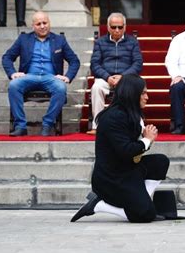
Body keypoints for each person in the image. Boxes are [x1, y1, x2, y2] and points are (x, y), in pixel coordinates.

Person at [71, 74, 170, 223]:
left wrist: (146, 141)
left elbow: (132, 151)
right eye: (143, 93)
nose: (147, 97)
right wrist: (146, 140)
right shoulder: (114, 117)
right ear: (132, 94)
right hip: (111, 178)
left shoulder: (131, 114)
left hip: (128, 169)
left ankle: (143, 202)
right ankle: (99, 205)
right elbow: (126, 151)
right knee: (145, 216)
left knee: (160, 161)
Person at [2, 11, 80, 136]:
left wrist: (67, 76)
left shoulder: (59, 40)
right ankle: (20, 126)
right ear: (33, 26)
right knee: (14, 85)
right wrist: (12, 74)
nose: (43, 26)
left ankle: (47, 124)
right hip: (29, 76)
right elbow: (7, 57)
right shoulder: (23, 39)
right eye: (39, 24)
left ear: (49, 23)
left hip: (51, 78)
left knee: (60, 88)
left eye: (45, 23)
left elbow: (74, 60)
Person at [87, 12, 143, 135]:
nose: (117, 30)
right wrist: (107, 77)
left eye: (120, 27)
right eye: (113, 27)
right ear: (108, 27)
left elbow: (138, 63)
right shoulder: (100, 42)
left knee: (133, 86)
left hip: (126, 78)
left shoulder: (132, 42)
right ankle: (98, 126)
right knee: (96, 87)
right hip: (106, 78)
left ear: (125, 27)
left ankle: (132, 124)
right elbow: (94, 64)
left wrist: (123, 77)